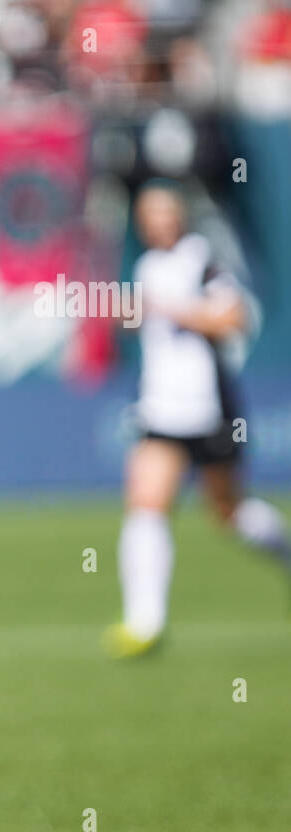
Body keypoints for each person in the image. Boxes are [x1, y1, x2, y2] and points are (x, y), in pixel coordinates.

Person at [106, 180, 291, 658]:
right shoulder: (146, 266)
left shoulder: (202, 260)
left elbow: (234, 319)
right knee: (146, 503)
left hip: (208, 408)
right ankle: (144, 622)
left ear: (180, 216)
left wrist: (175, 310)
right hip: (160, 407)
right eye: (149, 215)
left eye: (165, 213)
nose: (158, 223)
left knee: (228, 511)